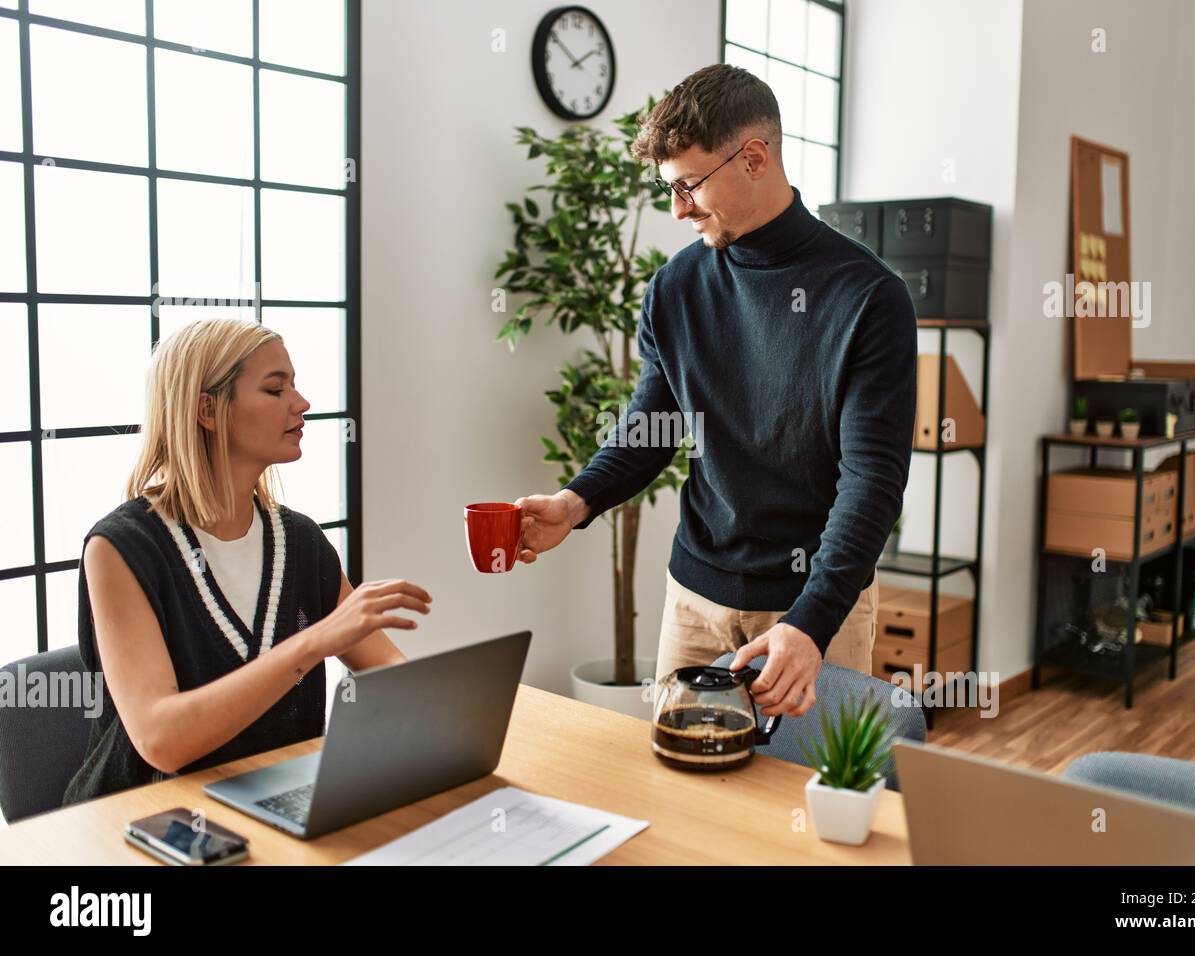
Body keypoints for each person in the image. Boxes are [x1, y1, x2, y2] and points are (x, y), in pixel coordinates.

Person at [513, 64, 916, 719]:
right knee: (678, 797)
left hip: (814, 611)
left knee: (799, 809)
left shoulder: (867, 297)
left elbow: (872, 480)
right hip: (694, 600)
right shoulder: (677, 286)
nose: (678, 209)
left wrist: (811, 624)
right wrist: (576, 502)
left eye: (689, 185)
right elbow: (655, 420)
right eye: (668, 189)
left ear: (754, 158)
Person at [63, 319, 431, 805]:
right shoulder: (121, 548)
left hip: (277, 804)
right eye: (275, 388)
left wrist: (449, 704)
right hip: (149, 821)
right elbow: (161, 741)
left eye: (294, 386)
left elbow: (387, 668)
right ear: (207, 409)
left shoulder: (301, 542)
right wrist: (314, 642)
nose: (301, 404)